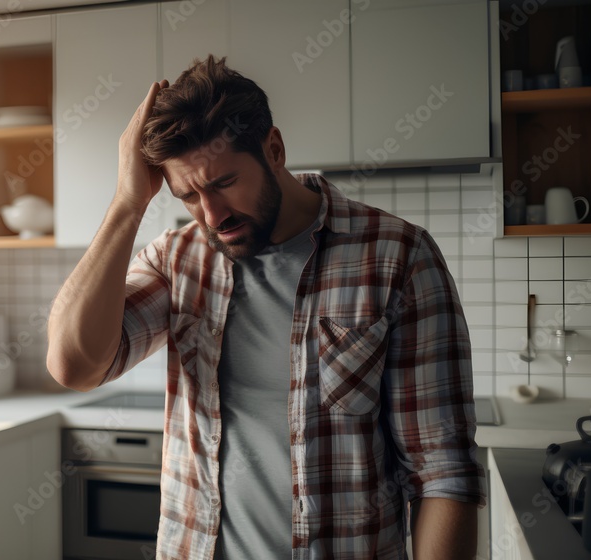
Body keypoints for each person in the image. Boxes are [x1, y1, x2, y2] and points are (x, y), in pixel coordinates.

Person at [46, 56, 486, 560]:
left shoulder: (396, 256)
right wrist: (128, 202)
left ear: (273, 149)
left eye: (223, 183)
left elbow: (442, 471)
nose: (212, 216)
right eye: (188, 196)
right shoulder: (178, 260)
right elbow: (74, 365)